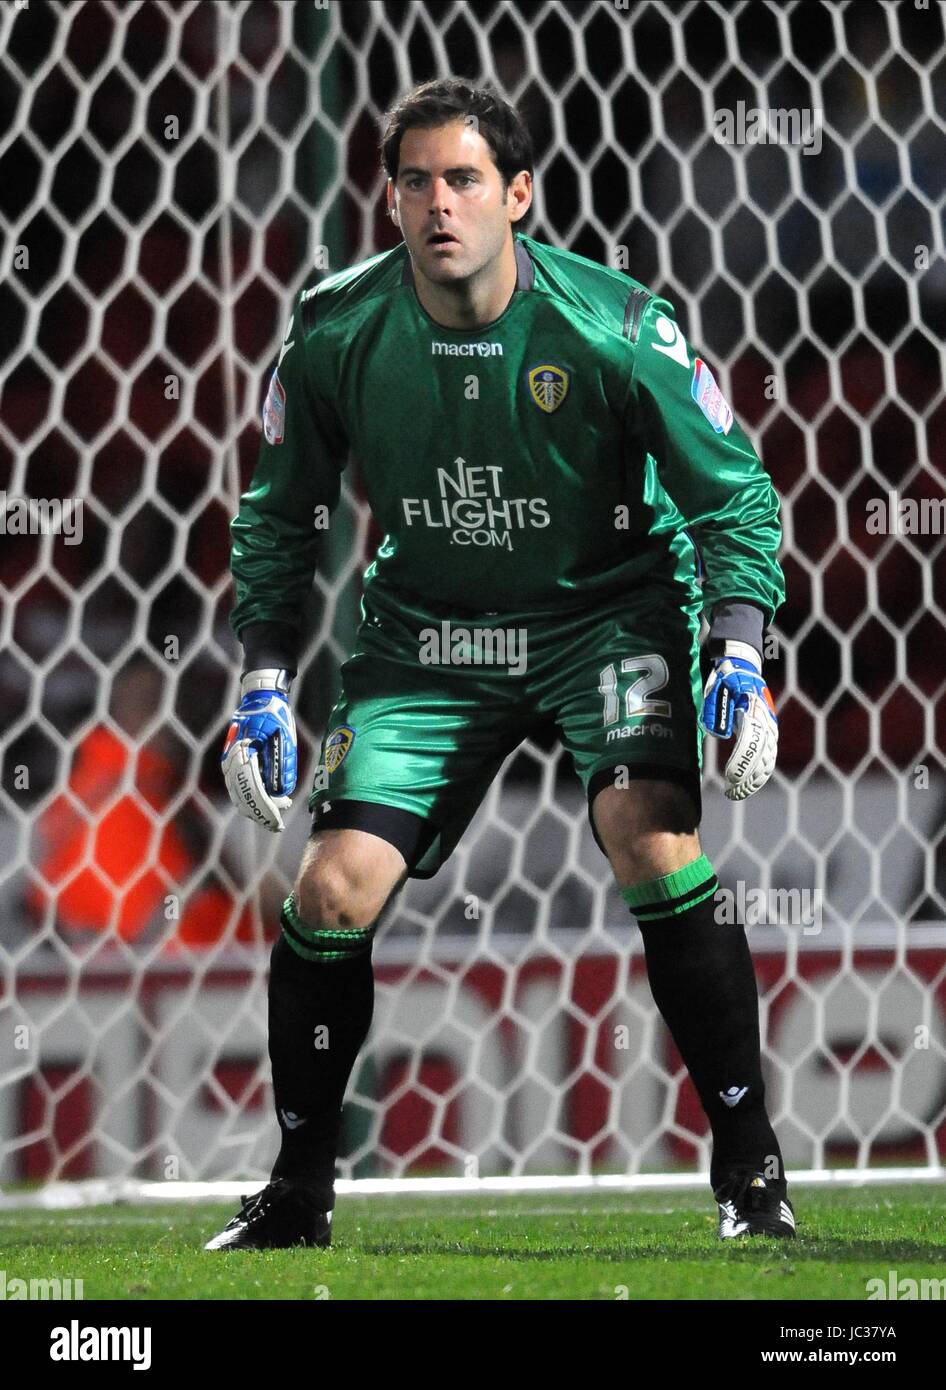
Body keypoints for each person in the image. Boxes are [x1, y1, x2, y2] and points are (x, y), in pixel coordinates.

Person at [206, 77, 792, 1251]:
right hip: (427, 639)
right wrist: (264, 672)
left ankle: (749, 1164)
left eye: (464, 178)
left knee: (653, 839)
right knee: (328, 892)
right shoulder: (333, 332)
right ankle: (298, 1189)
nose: (438, 204)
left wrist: (735, 649)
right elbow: (280, 515)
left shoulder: (616, 324)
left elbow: (733, 496)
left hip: (605, 619)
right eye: (414, 180)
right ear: (386, 199)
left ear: (518, 194)